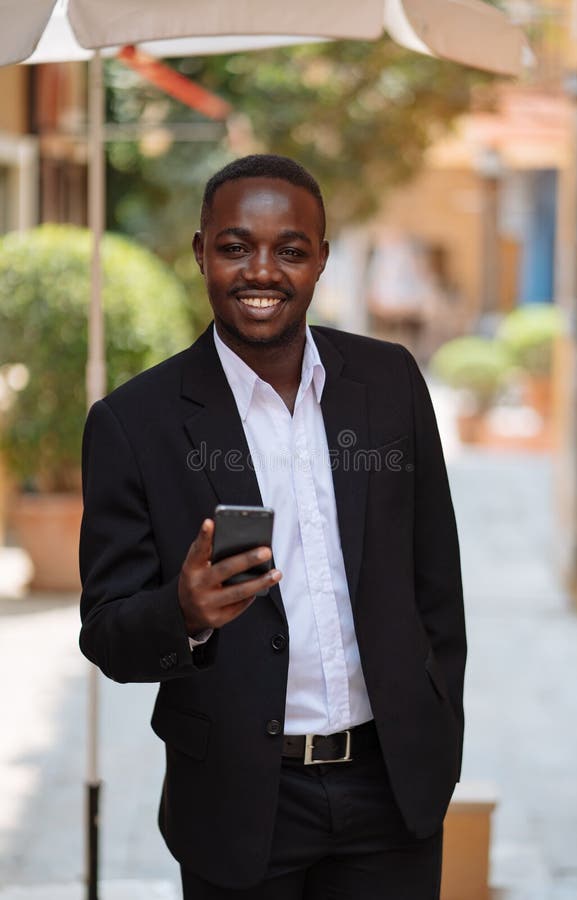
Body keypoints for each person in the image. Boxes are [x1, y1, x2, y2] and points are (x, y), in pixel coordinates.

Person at [79, 154, 466, 900]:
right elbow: (106, 632)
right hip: (238, 803)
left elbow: (436, 584)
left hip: (391, 793)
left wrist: (436, 727)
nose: (263, 270)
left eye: (290, 249)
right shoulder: (135, 423)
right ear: (201, 253)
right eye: (235, 247)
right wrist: (183, 613)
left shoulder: (390, 385)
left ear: (321, 258)